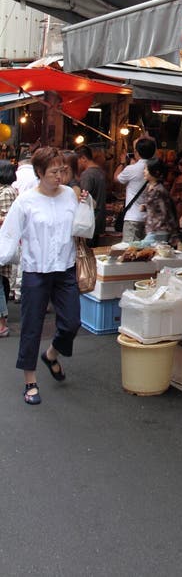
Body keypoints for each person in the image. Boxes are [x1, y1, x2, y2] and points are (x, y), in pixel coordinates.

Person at [0, 147, 82, 405]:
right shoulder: (25, 201)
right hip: (36, 270)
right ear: (39, 173)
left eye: (63, 170)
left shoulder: (70, 195)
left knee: (71, 322)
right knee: (31, 326)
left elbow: (80, 226)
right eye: (54, 171)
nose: (60, 176)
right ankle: (30, 381)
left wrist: (86, 204)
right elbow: (10, 234)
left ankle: (51, 354)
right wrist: (2, 257)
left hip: (65, 268)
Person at [114, 136, 156, 243]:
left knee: (130, 252)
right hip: (150, 219)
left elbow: (116, 178)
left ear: (136, 152)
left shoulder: (131, 169)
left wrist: (122, 162)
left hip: (133, 218)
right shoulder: (157, 169)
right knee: (147, 253)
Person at [141, 157, 178, 245]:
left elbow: (166, 212)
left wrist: (174, 233)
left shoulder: (159, 190)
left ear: (155, 172)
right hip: (151, 229)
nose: (144, 171)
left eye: (146, 169)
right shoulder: (148, 187)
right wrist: (145, 207)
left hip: (159, 230)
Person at [75, 144, 107, 247]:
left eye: (78, 160)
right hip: (99, 220)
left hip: (89, 222)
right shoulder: (100, 172)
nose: (77, 164)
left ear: (83, 158)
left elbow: (84, 197)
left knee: (87, 254)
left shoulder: (87, 174)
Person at [0, 160, 17, 335]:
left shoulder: (6, 192)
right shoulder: (8, 191)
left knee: (0, 282)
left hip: (2, 244)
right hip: (4, 244)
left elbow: (7, 220)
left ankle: (2, 323)